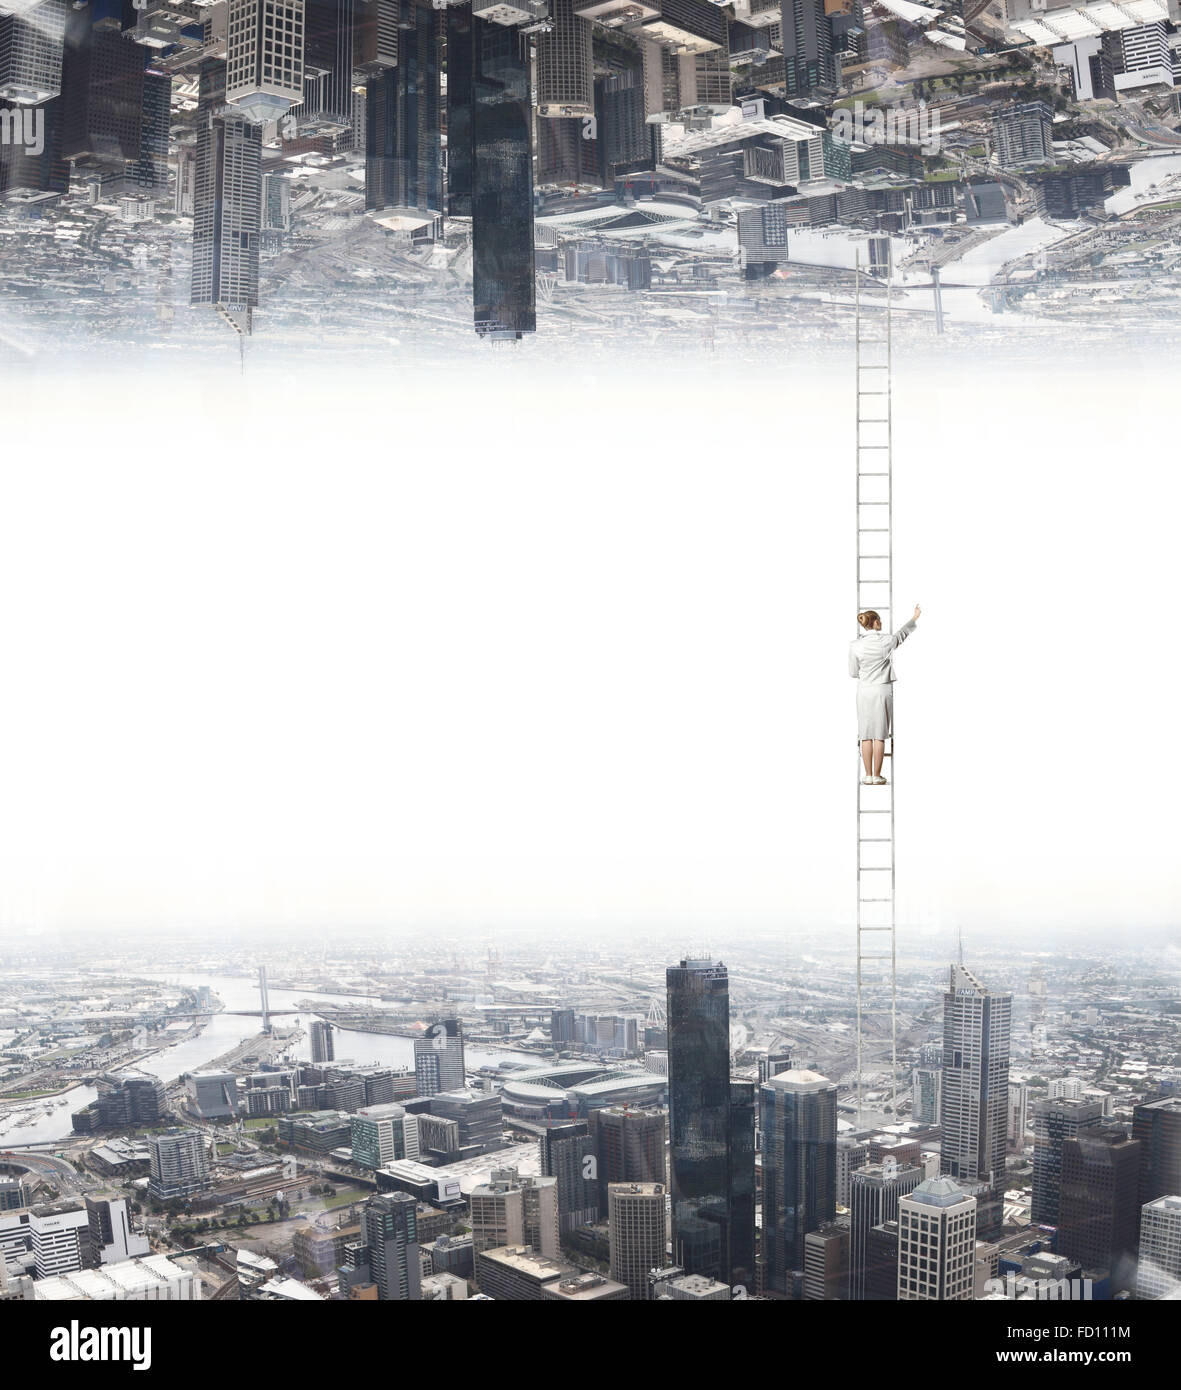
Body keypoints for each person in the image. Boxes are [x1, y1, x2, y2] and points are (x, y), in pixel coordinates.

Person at [848, 604, 921, 785]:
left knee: (865, 733)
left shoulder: (855, 645)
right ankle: (877, 775)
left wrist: (865, 674)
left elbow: (852, 672)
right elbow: (902, 634)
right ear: (874, 623)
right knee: (880, 733)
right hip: (882, 691)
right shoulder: (886, 641)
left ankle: (867, 775)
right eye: (878, 619)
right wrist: (914, 618)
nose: (881, 621)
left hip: (864, 691)